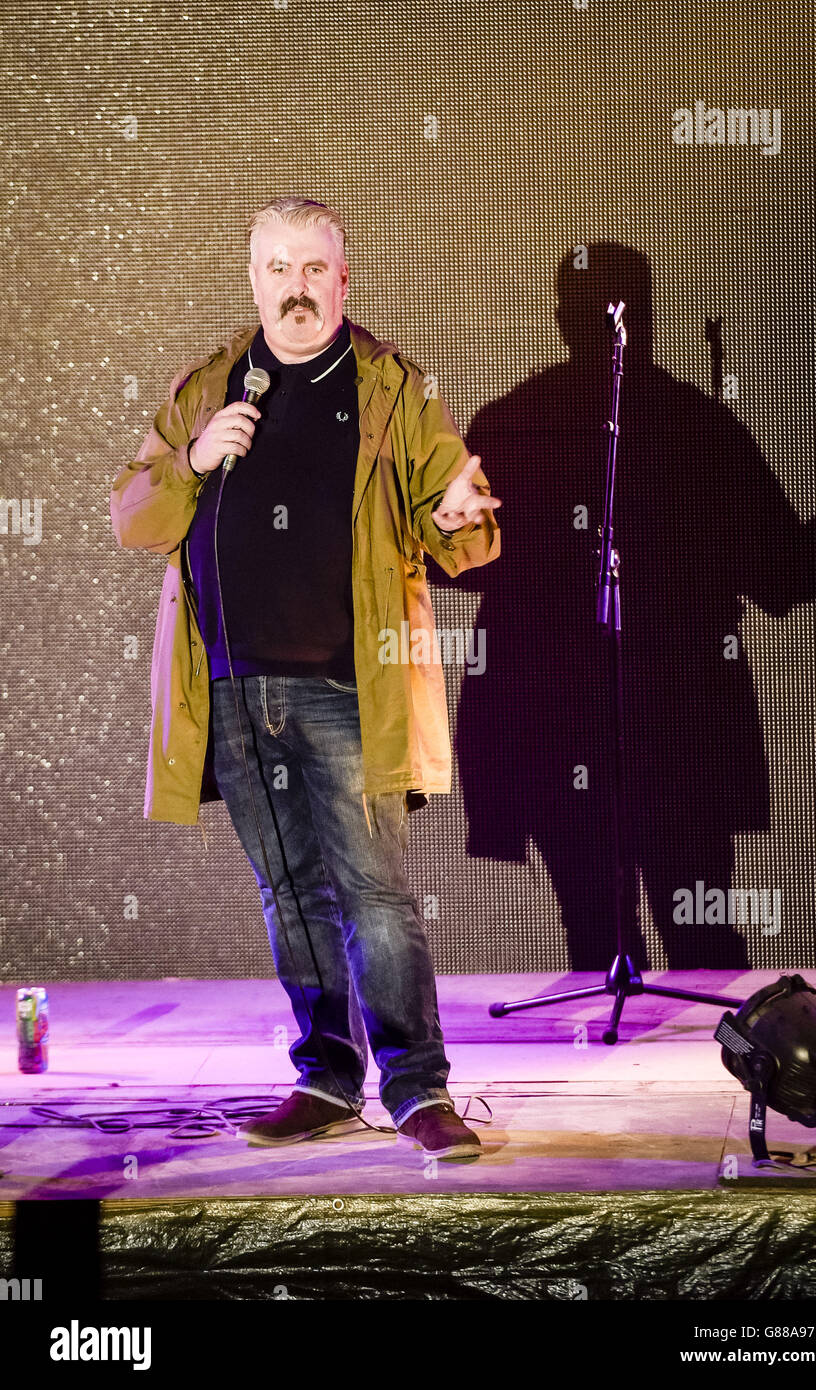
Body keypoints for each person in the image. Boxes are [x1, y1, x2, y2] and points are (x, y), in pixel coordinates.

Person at [110, 196, 501, 1160]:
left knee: (374, 894)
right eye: (279, 269)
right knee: (288, 893)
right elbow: (132, 517)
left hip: (345, 687)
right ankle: (327, 1077)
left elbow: (462, 522)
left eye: (314, 269)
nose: (297, 287)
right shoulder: (206, 386)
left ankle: (417, 1088)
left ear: (343, 279)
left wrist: (458, 512)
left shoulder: (390, 388)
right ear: (254, 281)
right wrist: (194, 460)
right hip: (237, 691)